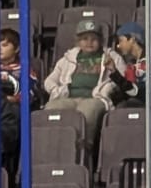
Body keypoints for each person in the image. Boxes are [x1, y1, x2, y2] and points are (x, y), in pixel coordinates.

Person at [42, 19, 110, 151]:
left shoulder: (110, 56)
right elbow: (49, 81)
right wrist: (58, 91)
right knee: (51, 108)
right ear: (78, 41)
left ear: (101, 40)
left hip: (95, 98)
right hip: (69, 97)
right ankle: (54, 147)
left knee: (86, 112)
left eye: (94, 39)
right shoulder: (68, 58)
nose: (89, 42)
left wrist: (106, 91)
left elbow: (122, 78)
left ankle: (83, 149)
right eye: (85, 38)